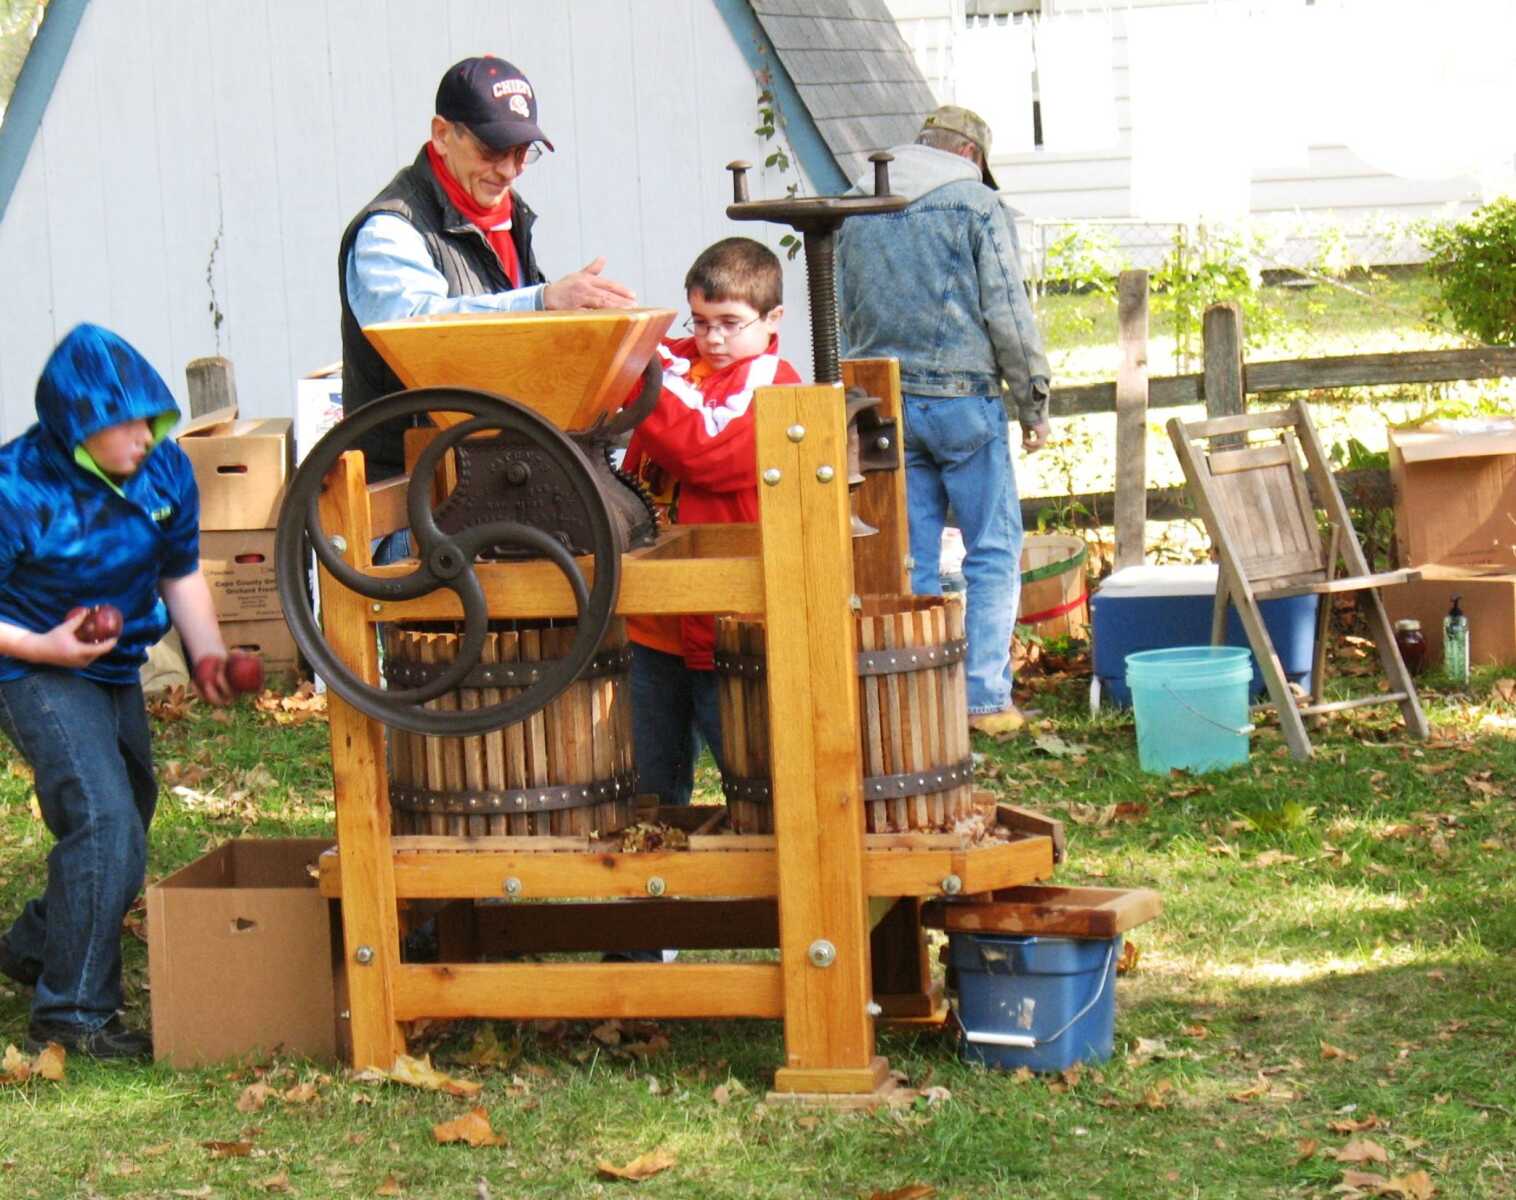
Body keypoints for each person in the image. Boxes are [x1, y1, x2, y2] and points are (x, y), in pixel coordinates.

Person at [0, 324, 236, 1060]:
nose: (142, 436)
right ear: (77, 425)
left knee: (130, 813)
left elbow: (181, 570)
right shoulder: (17, 487)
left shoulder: (164, 472)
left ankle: (38, 946)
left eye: (147, 419)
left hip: (112, 663)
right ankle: (73, 1016)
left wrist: (210, 658)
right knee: (103, 821)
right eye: (122, 424)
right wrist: (43, 646)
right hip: (31, 666)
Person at [837, 105, 1052, 736]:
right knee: (991, 548)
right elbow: (1008, 313)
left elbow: (844, 309)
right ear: (972, 156)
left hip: (883, 403)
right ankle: (984, 701)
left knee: (911, 557)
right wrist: (1032, 400)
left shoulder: (860, 202)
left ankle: (914, 701)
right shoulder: (976, 204)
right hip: (963, 404)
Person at [339, 54, 639, 483]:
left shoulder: (505, 214)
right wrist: (541, 301)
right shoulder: (388, 230)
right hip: (411, 498)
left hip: (488, 478)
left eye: (521, 152)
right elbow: (416, 331)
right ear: (442, 134)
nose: (510, 170)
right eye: (493, 149)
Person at [620, 237, 801, 805]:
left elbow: (708, 448)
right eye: (700, 322)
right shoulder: (675, 364)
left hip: (732, 630)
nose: (713, 339)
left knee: (756, 790)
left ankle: (767, 893)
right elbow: (639, 352)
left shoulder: (773, 379)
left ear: (774, 319)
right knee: (647, 795)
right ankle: (652, 892)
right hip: (653, 631)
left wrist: (633, 374)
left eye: (730, 322)